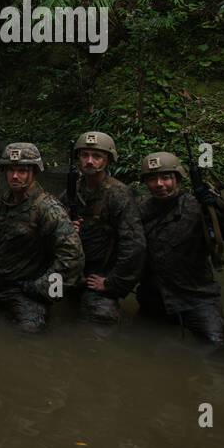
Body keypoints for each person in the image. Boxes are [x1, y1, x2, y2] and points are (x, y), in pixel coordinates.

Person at [137, 151, 224, 347]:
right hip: (154, 297)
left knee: (219, 349)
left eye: (166, 177)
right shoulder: (140, 210)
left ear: (178, 179)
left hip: (196, 298)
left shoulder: (199, 207)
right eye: (152, 179)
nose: (159, 184)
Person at [0, 142, 83, 333]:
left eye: (22, 170)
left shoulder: (48, 208)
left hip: (28, 295)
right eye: (10, 170)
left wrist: (42, 289)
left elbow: (73, 258)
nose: (14, 176)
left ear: (34, 172)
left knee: (28, 340)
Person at [65, 131, 145, 324]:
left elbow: (135, 246)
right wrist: (67, 229)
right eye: (85, 155)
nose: (90, 161)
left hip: (101, 276)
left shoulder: (119, 195)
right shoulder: (71, 191)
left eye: (97, 156)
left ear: (107, 160)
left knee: (100, 321)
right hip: (73, 273)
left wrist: (112, 283)